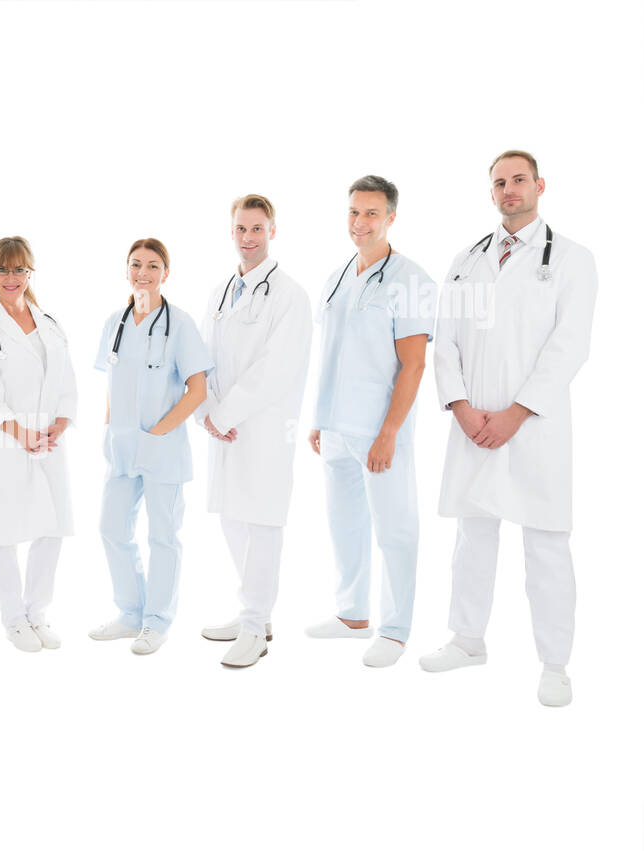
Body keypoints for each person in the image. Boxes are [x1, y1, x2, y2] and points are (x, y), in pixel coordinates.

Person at [421, 151, 597, 707]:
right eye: (499, 182)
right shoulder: (465, 259)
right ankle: (468, 639)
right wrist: (461, 406)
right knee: (473, 535)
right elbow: (444, 340)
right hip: (473, 423)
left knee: (545, 542)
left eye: (519, 179)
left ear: (539, 185)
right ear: (490, 192)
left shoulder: (571, 258)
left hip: (534, 426)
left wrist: (517, 412)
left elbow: (569, 346)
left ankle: (555, 664)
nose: (509, 189)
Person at [306, 176, 436, 668]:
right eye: (354, 213)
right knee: (345, 523)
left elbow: (415, 364)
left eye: (371, 214)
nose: (360, 223)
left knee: (395, 528)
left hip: (381, 431)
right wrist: (320, 419)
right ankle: (352, 614)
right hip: (336, 428)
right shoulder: (338, 275)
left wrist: (389, 433)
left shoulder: (412, 280)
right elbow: (333, 353)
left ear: (391, 218)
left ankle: (396, 629)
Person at [198, 195, 312, 668]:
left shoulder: (289, 295)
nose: (249, 238)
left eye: (257, 229)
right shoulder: (224, 289)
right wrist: (206, 410)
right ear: (231, 232)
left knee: (262, 521)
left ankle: (255, 627)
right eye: (241, 229)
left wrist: (224, 415)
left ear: (272, 231)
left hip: (261, 426)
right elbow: (202, 352)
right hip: (221, 424)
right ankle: (254, 613)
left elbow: (275, 369)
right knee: (231, 516)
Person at [90, 239, 211, 655]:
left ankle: (157, 621)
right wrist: (109, 429)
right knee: (111, 528)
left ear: (166, 272)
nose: (144, 272)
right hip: (121, 448)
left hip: (162, 450)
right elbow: (112, 381)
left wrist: (158, 433)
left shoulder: (180, 323)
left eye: (153, 265)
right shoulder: (115, 322)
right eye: (136, 264)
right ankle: (130, 613)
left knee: (163, 536)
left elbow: (198, 389)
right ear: (126, 270)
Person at [0, 237, 77, 653]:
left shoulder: (49, 323)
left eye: (19, 270)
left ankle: (37, 611)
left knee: (54, 525)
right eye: (3, 270)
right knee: (2, 529)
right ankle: (13, 618)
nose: (12, 278)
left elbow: (66, 382)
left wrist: (60, 424)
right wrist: (21, 432)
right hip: (5, 442)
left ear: (30, 273)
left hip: (48, 441)